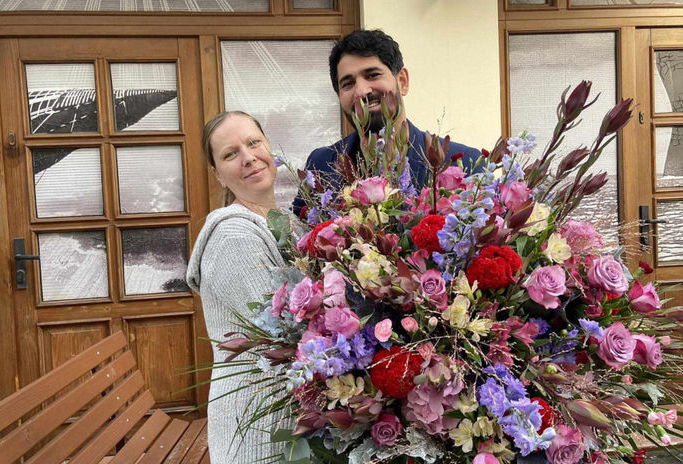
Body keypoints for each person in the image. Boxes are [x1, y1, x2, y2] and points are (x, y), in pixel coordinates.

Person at [186, 111, 286, 464]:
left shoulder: (282, 223)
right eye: (230, 154)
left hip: (283, 416)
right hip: (258, 425)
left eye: (254, 142)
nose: (248, 157)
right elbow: (282, 330)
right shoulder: (233, 236)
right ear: (218, 175)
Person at [292, 29, 482, 214]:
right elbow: (299, 233)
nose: (362, 92)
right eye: (348, 84)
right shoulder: (322, 164)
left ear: (402, 81)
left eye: (373, 75)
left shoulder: (462, 164)